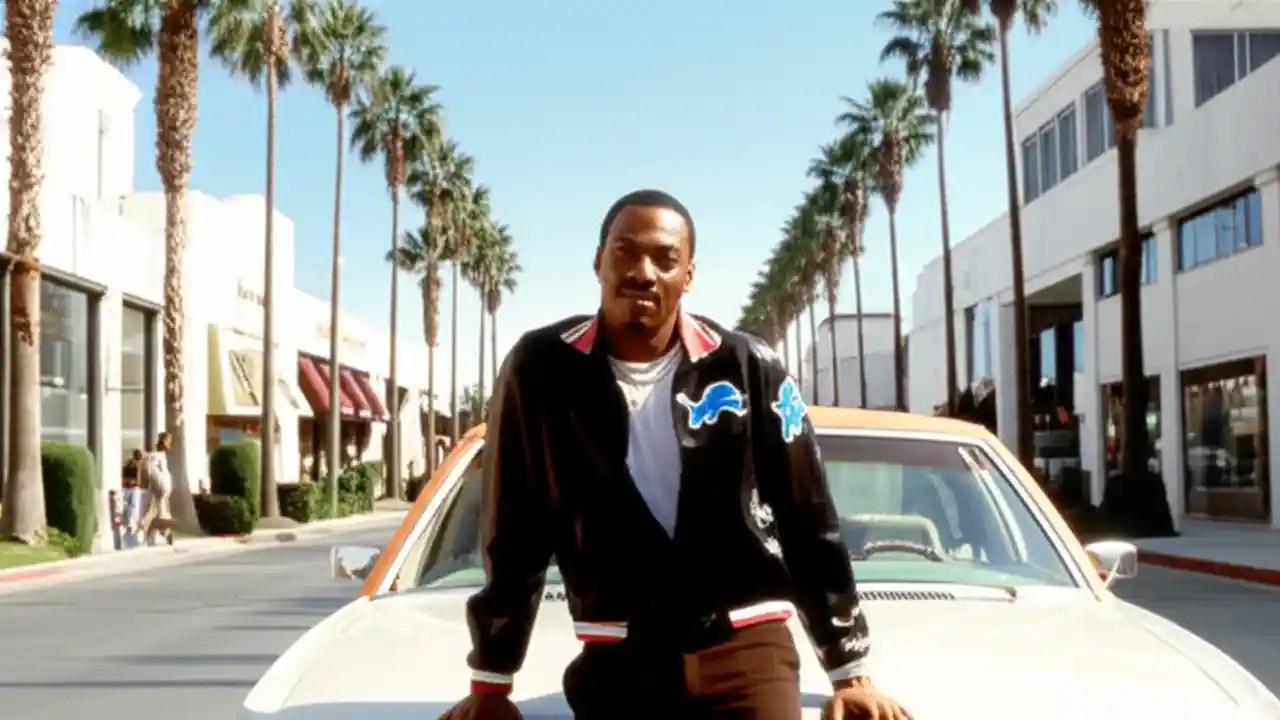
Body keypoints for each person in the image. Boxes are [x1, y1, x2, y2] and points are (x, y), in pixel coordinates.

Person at [439, 190, 911, 720]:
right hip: (618, 656)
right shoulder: (542, 370)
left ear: (688, 275)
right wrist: (491, 683)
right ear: (599, 261)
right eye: (625, 252)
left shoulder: (749, 365)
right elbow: (514, 528)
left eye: (665, 260)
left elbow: (808, 518)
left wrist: (851, 673)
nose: (643, 272)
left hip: (746, 645)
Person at [141, 432, 176, 547]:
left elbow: (148, 471)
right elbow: (151, 470)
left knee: (156, 510)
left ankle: (155, 533)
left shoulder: (152, 456)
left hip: (159, 484)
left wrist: (147, 482)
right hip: (164, 484)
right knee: (159, 509)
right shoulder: (160, 455)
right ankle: (160, 532)